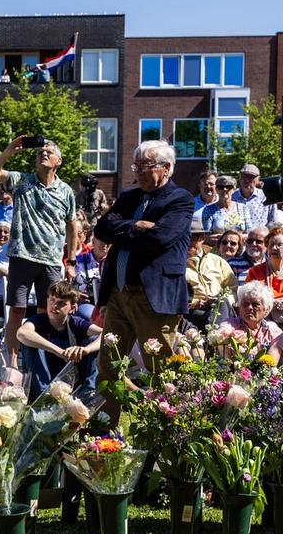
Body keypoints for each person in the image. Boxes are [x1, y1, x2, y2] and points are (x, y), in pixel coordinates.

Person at [95, 140, 193, 421]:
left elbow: (159, 239)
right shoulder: (129, 196)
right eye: (135, 166)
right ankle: (105, 429)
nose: (138, 172)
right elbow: (102, 229)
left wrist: (121, 233)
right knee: (109, 365)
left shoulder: (181, 199)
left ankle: (166, 428)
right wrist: (134, 225)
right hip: (119, 293)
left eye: (145, 166)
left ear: (166, 167)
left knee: (160, 368)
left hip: (153, 297)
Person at [0, 135, 77, 367]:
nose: (43, 153)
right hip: (22, 256)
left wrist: (71, 261)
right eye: (39, 152)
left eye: (49, 151)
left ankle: (41, 363)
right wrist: (9, 150)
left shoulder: (66, 191)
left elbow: (72, 226)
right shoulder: (21, 181)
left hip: (51, 260)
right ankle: (12, 366)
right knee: (16, 311)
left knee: (48, 313)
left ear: (59, 160)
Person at [16, 280, 101, 400]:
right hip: (42, 383)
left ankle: (88, 395)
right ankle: (44, 399)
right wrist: (59, 351)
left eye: (61, 303)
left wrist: (86, 349)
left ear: (72, 307)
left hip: (71, 382)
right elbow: (22, 333)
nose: (54, 305)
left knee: (94, 341)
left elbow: (105, 334)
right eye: (52, 300)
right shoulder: (38, 320)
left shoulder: (75, 323)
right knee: (31, 342)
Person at [185, 217, 236, 332]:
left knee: (222, 303)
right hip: (193, 312)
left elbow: (233, 289)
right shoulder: (176, 264)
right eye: (184, 237)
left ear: (202, 238)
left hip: (220, 309)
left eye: (193, 238)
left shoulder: (218, 261)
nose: (188, 242)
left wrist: (218, 300)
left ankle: (216, 336)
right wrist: (194, 303)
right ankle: (217, 338)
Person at [222, 282, 283, 361]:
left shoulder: (274, 333)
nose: (249, 307)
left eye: (255, 304)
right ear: (239, 308)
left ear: (266, 310)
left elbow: (270, 363)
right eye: (245, 304)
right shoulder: (229, 326)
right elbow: (221, 334)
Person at [245, 226, 283, 324]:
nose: (274, 248)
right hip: (266, 319)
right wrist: (272, 303)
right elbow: (249, 298)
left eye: (279, 245)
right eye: (271, 245)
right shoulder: (255, 272)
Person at [233, 164, 269, 230]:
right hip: (236, 235)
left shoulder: (265, 196)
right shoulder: (231, 197)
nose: (247, 180)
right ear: (239, 177)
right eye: (244, 176)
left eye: (251, 177)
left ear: (258, 179)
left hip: (260, 235)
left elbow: (273, 221)